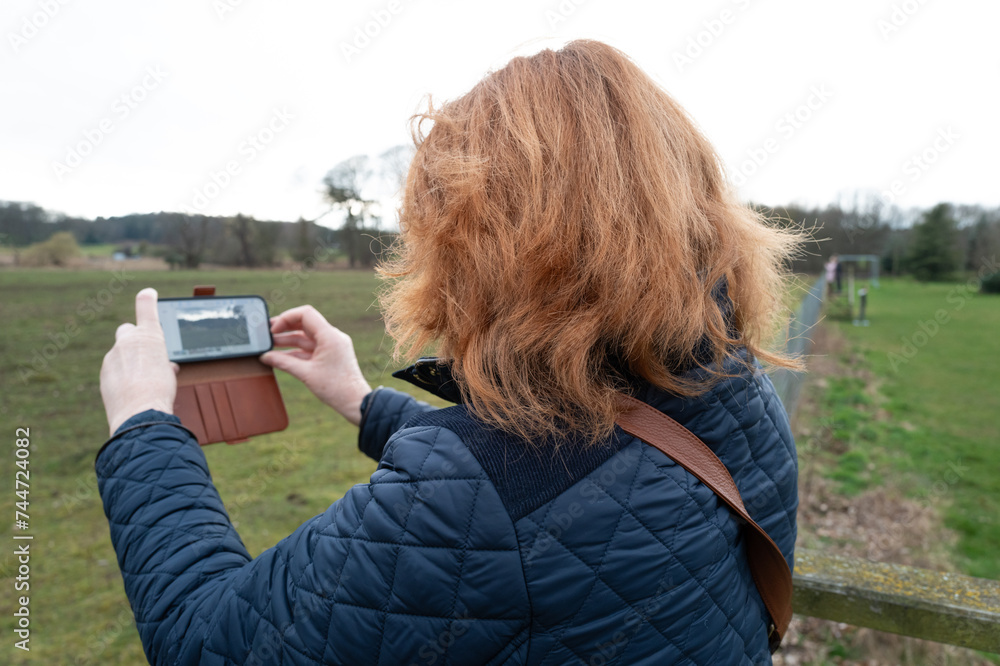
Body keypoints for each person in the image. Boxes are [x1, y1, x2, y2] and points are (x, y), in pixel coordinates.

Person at [97, 40, 799, 665]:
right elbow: (567, 488)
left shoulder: (470, 499)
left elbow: (204, 639)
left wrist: (142, 430)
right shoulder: (727, 383)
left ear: (485, 247)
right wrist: (363, 402)